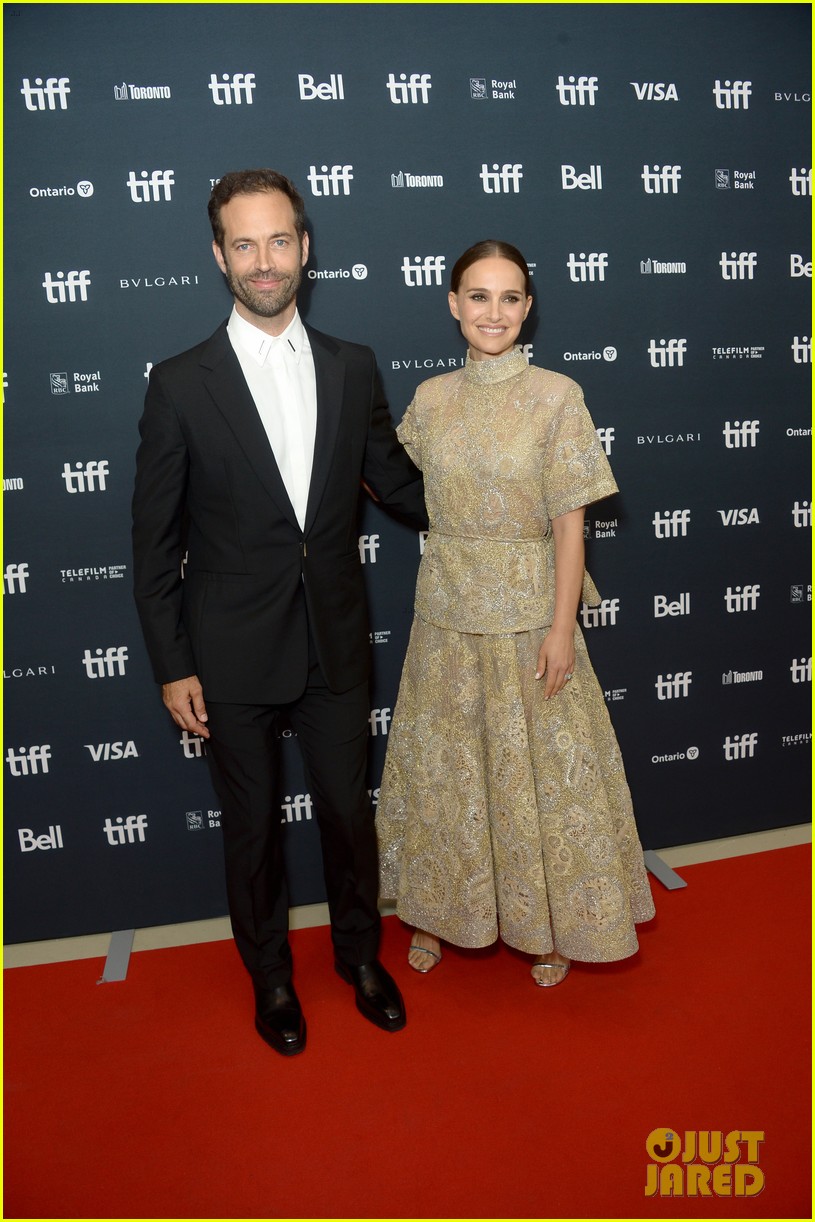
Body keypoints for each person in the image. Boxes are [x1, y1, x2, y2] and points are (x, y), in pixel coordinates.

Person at [132, 169, 426, 1055]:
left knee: (348, 814)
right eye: (245, 244)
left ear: (306, 248)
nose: (266, 262)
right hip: (227, 654)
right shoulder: (180, 384)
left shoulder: (353, 365)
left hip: (334, 642)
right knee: (252, 830)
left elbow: (405, 489)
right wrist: (172, 663)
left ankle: (358, 959)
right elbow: (152, 544)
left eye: (280, 241)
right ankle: (270, 979)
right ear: (219, 255)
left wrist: (504, 477)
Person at [376, 240, 655, 986]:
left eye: (507, 298)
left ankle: (544, 927)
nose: (491, 312)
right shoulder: (430, 397)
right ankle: (437, 910)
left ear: (527, 308)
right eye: (476, 296)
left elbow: (571, 524)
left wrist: (561, 629)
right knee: (449, 776)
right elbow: (385, 478)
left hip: (530, 617)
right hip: (444, 616)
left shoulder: (556, 395)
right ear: (452, 303)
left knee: (534, 779)